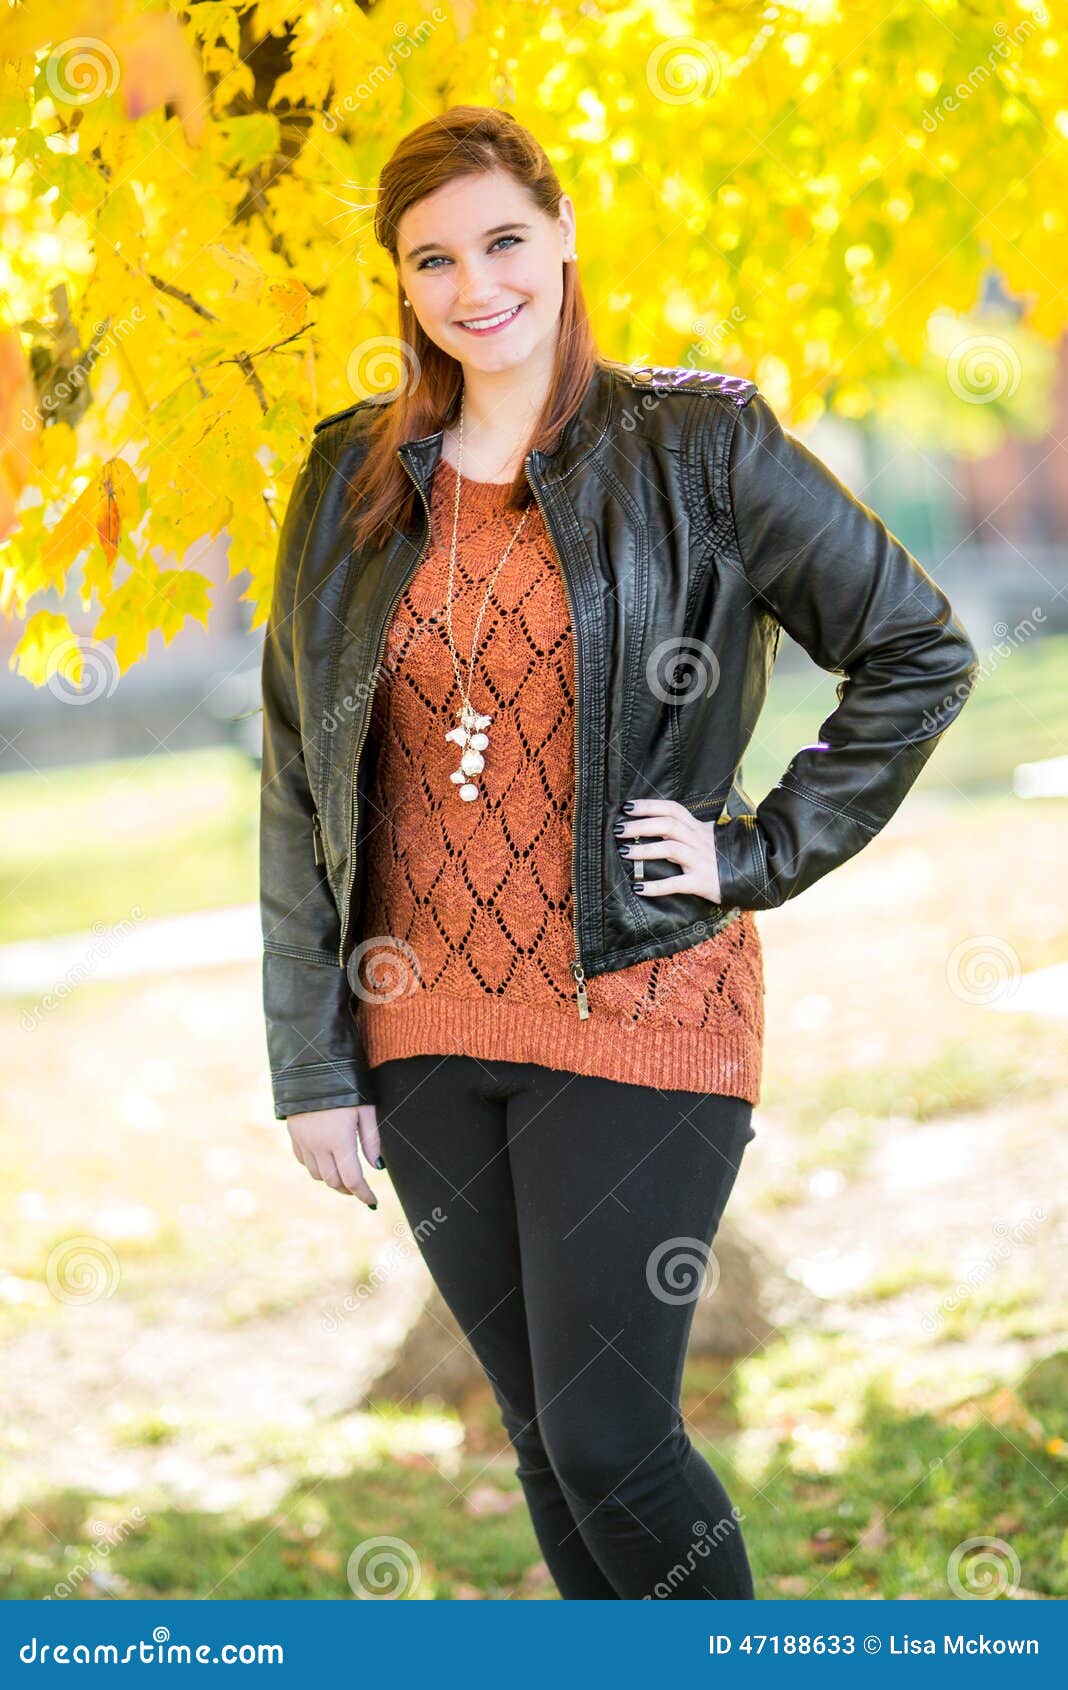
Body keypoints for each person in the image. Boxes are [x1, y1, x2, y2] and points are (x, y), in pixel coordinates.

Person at [258, 106, 979, 1600]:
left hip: (640, 996)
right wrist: (311, 1060)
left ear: (564, 233)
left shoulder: (699, 447)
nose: (476, 286)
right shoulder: (348, 481)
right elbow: (296, 771)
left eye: (504, 241)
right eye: (434, 258)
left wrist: (762, 848)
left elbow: (916, 647)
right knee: (538, 1436)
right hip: (422, 1027)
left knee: (608, 1437)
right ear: (403, 279)